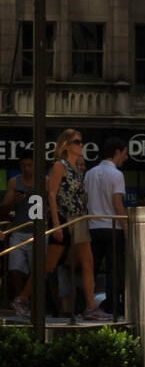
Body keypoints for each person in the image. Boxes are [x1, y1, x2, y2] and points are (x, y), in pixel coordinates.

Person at [13, 128, 109, 322]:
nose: (80, 145)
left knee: (88, 263)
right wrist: (56, 224)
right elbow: (51, 194)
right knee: (48, 265)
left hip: (79, 219)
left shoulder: (76, 167)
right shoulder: (60, 165)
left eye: (81, 142)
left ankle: (91, 307)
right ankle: (22, 298)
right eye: (76, 142)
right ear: (66, 145)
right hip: (65, 219)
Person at [85, 136, 128, 317]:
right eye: (125, 153)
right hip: (112, 227)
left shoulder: (90, 173)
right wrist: (126, 227)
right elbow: (117, 202)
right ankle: (112, 306)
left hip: (93, 226)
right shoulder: (117, 175)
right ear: (117, 151)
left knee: (92, 268)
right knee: (113, 269)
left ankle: (87, 304)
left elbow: (85, 200)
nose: (125, 157)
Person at [1, 145, 35, 302]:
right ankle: (20, 301)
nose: (26, 169)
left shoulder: (46, 182)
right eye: (23, 166)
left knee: (38, 270)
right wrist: (14, 200)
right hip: (19, 230)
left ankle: (32, 301)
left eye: (30, 165)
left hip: (38, 231)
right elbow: (5, 207)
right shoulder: (14, 182)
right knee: (15, 270)